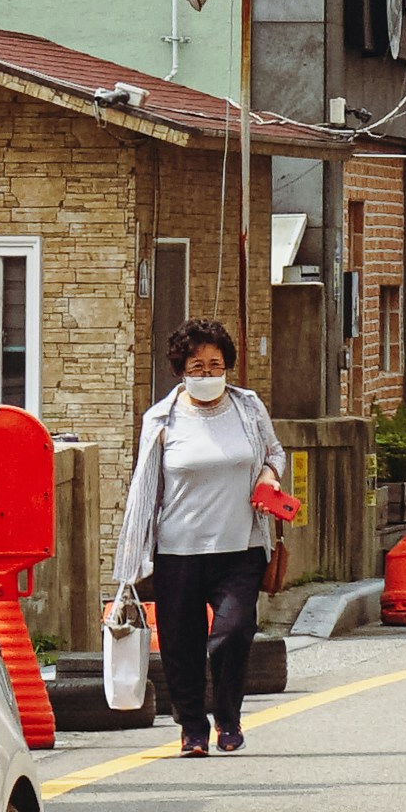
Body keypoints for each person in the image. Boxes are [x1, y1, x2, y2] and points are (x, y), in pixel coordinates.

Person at [108, 319, 286, 757]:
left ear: (228, 367)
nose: (208, 375)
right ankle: (191, 728)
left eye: (216, 366)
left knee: (235, 630)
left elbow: (274, 451)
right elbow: (145, 490)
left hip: (241, 547)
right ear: (181, 371)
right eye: (198, 367)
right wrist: (133, 560)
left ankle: (228, 717)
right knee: (181, 643)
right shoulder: (161, 420)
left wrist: (269, 474)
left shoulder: (248, 408)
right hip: (178, 549)